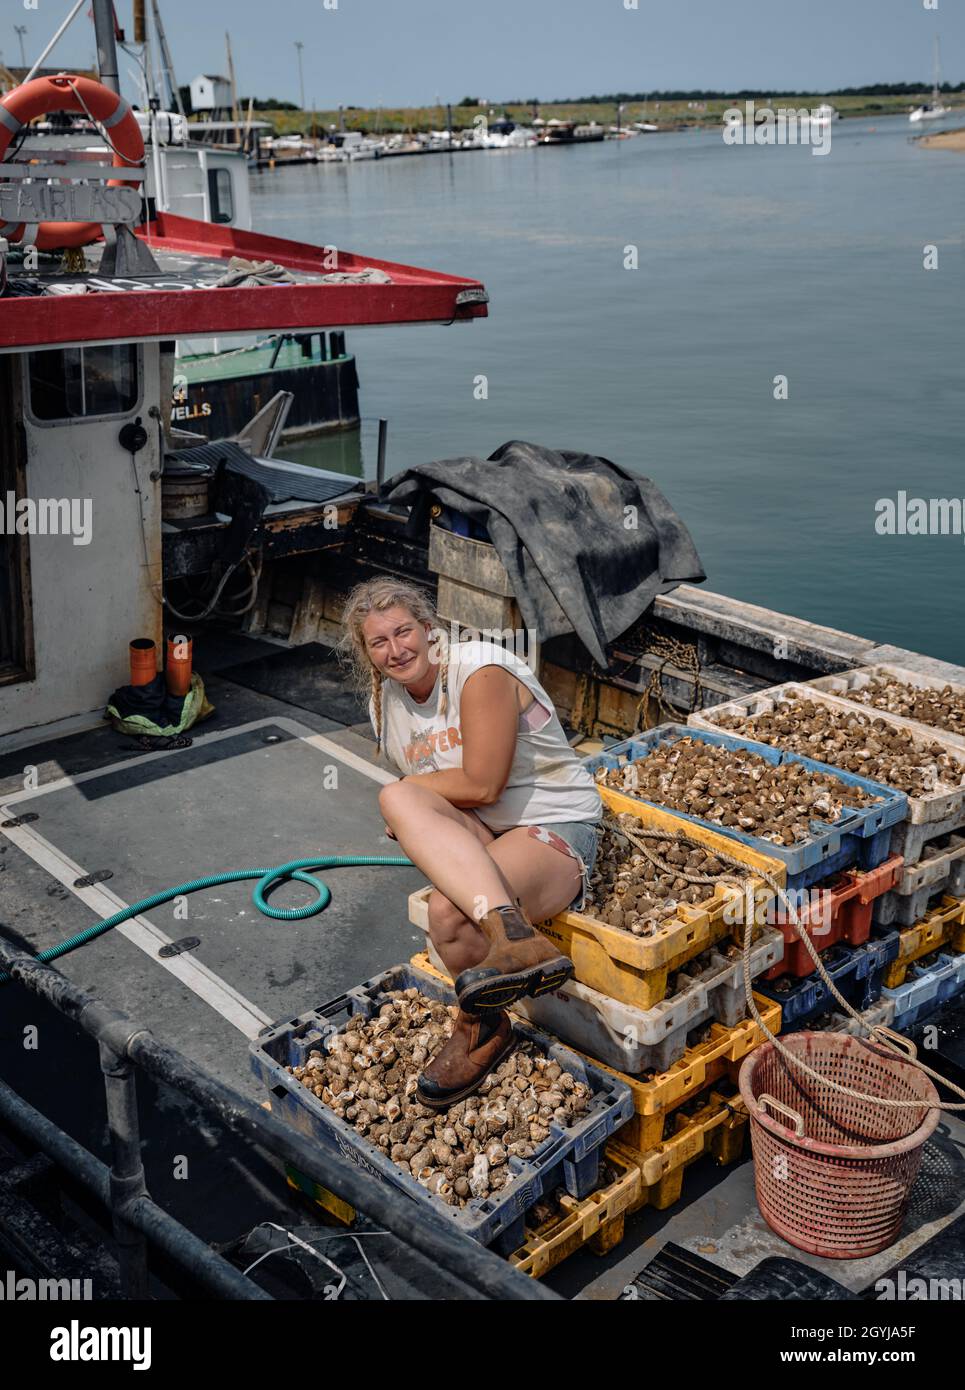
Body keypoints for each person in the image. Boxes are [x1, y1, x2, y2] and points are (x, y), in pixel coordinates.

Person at [341, 576, 603, 1108]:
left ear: (430, 630)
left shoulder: (478, 671)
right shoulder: (385, 704)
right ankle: (491, 1017)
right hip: (489, 830)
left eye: (404, 632)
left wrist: (409, 798)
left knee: (446, 915)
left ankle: (495, 983)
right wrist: (411, 806)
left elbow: (484, 784)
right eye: (380, 642)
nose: (397, 650)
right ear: (366, 653)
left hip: (554, 824)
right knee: (400, 801)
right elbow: (441, 796)